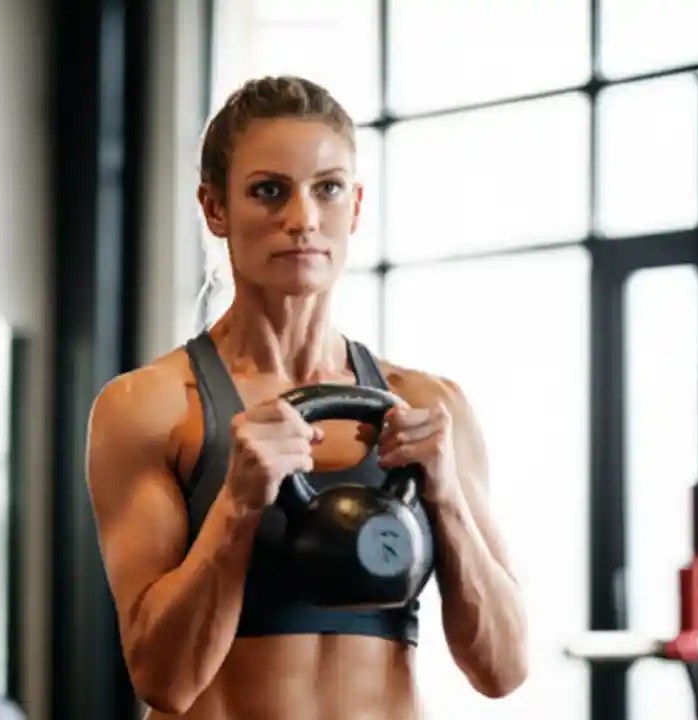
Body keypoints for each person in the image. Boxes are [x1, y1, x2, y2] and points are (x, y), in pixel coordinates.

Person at [86, 75, 528, 719]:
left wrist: (447, 497)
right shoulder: (150, 407)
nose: (302, 219)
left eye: (328, 188)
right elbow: (164, 679)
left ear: (354, 206)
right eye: (269, 191)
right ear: (215, 209)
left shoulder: (432, 406)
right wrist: (237, 503)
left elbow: (503, 669)